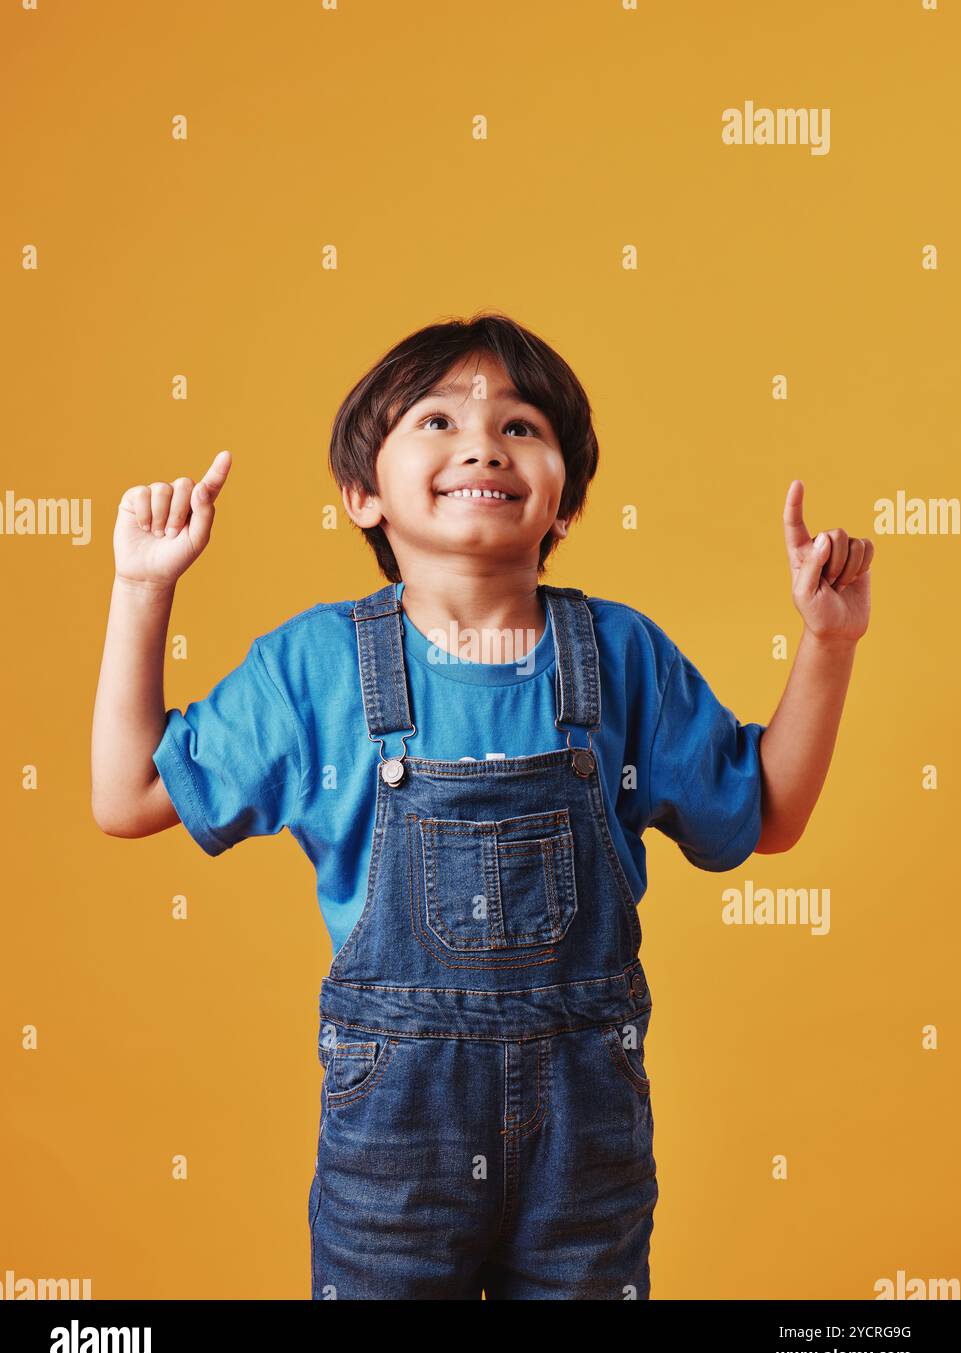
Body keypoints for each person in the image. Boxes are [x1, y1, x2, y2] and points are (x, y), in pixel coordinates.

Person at [90, 313, 874, 1300]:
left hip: (586, 1149)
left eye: (520, 426)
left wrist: (828, 645)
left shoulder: (621, 655)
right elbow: (128, 795)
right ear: (361, 495)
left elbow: (763, 814)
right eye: (435, 420)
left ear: (564, 503)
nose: (480, 444)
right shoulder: (313, 665)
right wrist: (140, 587)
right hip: (396, 1150)